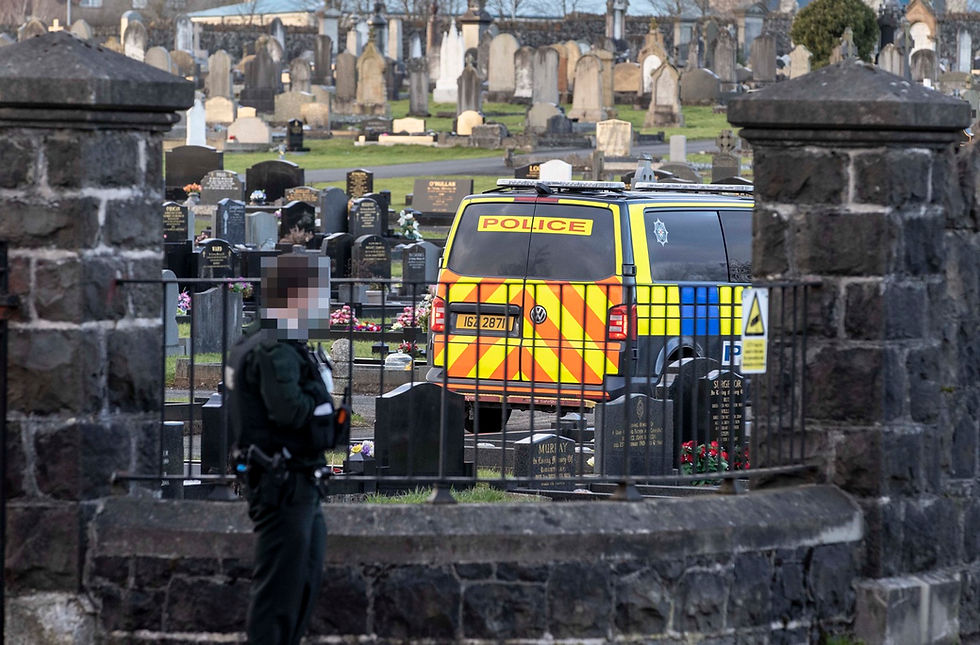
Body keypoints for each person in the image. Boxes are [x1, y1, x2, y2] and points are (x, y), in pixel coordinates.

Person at [230, 248, 336, 645]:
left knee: (302, 583)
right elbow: (289, 411)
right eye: (319, 293)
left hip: (298, 481)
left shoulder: (282, 340)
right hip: (283, 483)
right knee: (279, 596)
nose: (324, 303)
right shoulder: (273, 346)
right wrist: (323, 404)